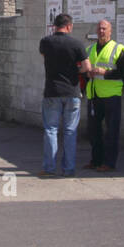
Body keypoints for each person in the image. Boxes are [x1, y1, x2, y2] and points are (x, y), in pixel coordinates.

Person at [37, 13, 91, 178]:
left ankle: (49, 168)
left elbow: (44, 58)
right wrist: (76, 70)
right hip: (72, 92)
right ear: (69, 26)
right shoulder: (77, 44)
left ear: (55, 26)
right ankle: (68, 169)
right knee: (70, 131)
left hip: (52, 91)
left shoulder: (46, 42)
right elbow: (87, 67)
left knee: (51, 130)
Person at [85, 19, 124, 173]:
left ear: (110, 31)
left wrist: (105, 72)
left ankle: (109, 163)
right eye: (99, 29)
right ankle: (96, 160)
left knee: (111, 132)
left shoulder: (118, 49)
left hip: (111, 95)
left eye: (104, 29)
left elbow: (123, 73)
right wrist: (87, 73)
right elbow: (84, 71)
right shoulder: (89, 49)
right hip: (94, 95)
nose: (101, 31)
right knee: (93, 131)